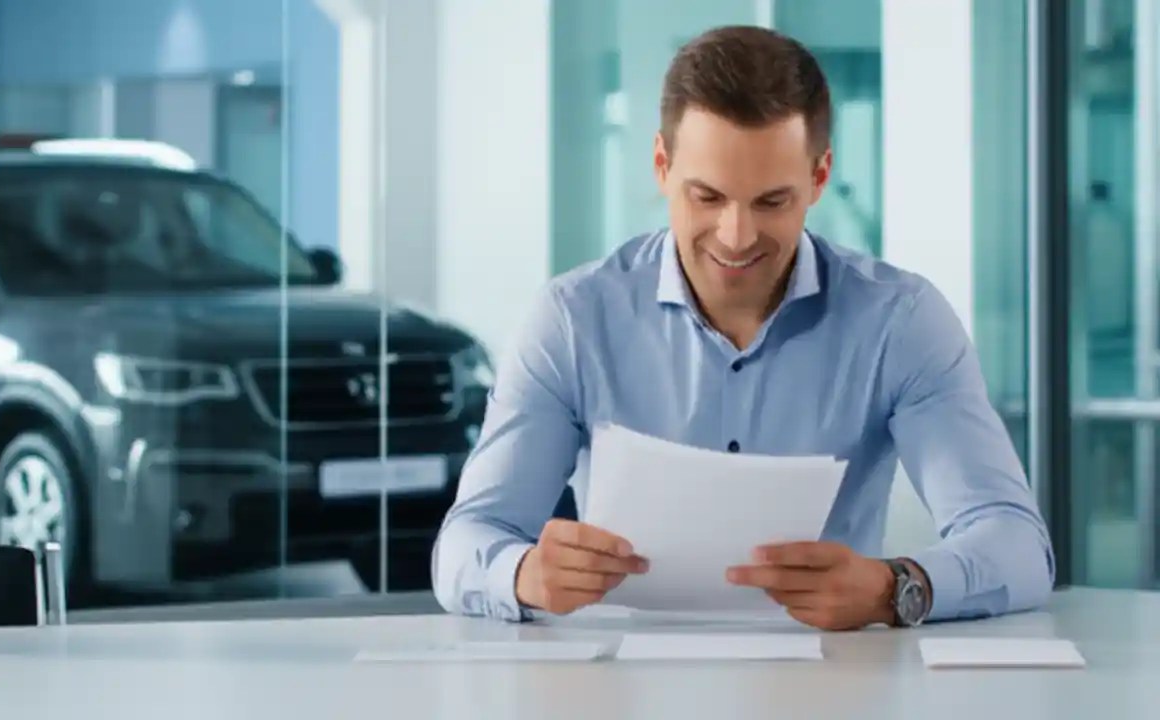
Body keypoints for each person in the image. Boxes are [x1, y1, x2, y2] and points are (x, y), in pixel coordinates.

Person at [431, 25, 1053, 630]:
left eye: (771, 202)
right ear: (661, 166)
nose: (736, 236)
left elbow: (1018, 545)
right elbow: (465, 543)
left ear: (819, 177)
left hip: (834, 679)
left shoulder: (901, 322)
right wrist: (524, 575)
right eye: (707, 197)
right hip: (618, 678)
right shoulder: (572, 320)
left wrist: (896, 589)